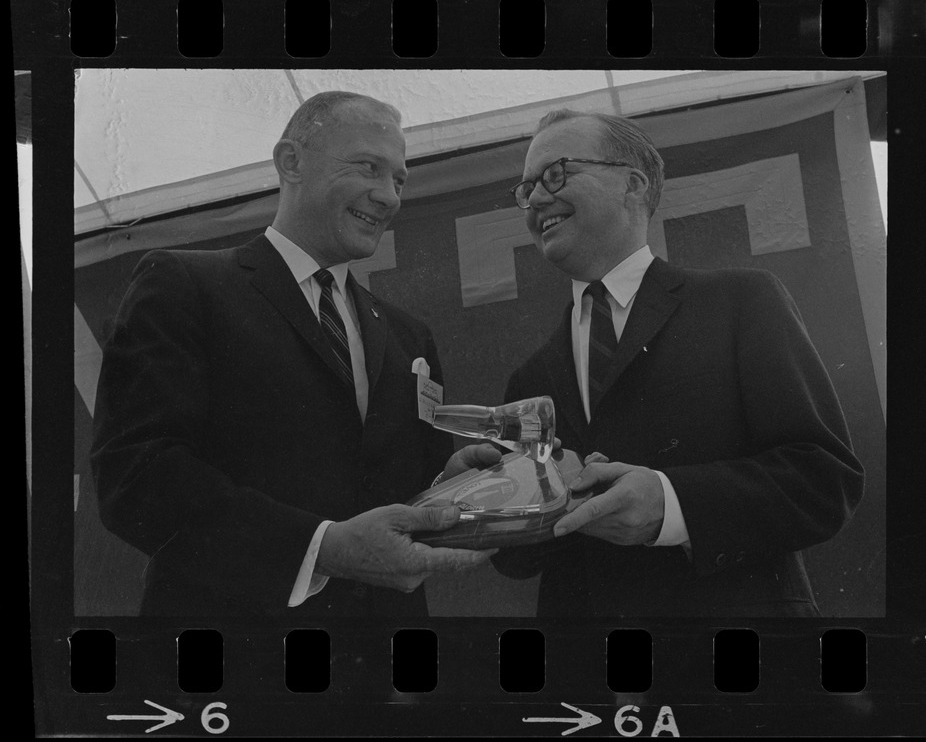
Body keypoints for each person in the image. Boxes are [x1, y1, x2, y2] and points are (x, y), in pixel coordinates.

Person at [90, 91, 499, 618]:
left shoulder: (408, 334)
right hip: (233, 655)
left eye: (399, 179)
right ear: (291, 161)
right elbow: (135, 476)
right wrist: (322, 549)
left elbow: (398, 480)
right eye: (368, 167)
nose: (389, 196)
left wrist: (450, 482)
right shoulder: (183, 283)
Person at [491, 109, 864, 617]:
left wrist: (671, 504)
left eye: (555, 174)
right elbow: (515, 562)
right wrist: (495, 502)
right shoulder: (530, 378)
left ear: (633, 184)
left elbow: (823, 480)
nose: (534, 199)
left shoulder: (741, 303)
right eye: (526, 187)